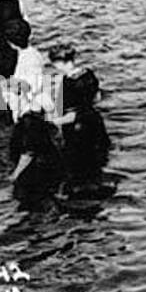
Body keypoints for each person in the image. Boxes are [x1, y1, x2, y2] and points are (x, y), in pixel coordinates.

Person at [50, 44, 111, 191]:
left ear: (60, 63)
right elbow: (97, 97)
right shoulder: (88, 74)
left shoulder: (68, 83)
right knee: (97, 161)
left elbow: (73, 115)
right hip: (95, 123)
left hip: (79, 131)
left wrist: (52, 121)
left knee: (79, 168)